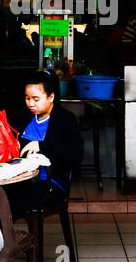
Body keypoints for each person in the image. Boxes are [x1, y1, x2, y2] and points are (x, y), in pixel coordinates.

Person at [6, 71, 83, 218]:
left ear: (51, 97)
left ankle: (11, 238)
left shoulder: (66, 120)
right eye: (27, 98)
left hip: (51, 184)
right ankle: (2, 238)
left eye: (36, 99)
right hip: (20, 180)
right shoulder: (24, 116)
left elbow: (75, 155)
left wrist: (42, 146)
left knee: (6, 200)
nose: (30, 103)